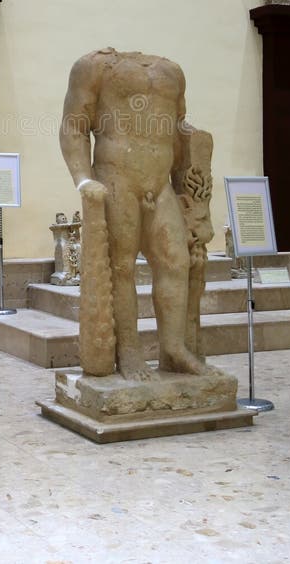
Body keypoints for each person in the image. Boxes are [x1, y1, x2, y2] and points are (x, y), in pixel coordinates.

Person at [60, 47, 212, 380]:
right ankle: (128, 352)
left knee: (176, 262)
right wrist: (83, 179)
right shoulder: (94, 65)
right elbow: (73, 127)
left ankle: (174, 349)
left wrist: (194, 191)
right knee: (121, 266)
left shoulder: (173, 71)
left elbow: (180, 131)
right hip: (116, 176)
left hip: (159, 183)